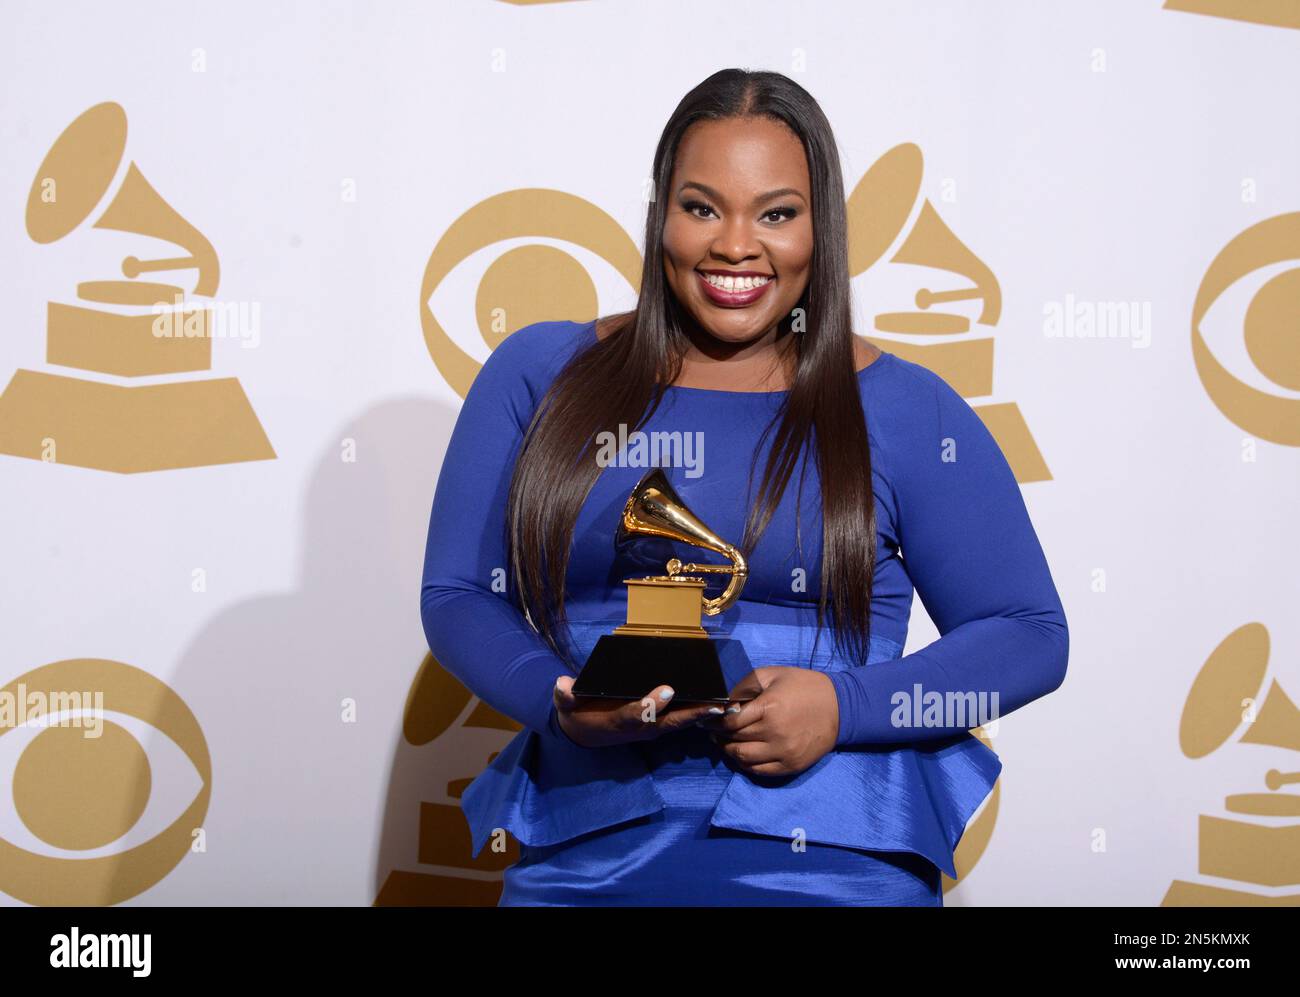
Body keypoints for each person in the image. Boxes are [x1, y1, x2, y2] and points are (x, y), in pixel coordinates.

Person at [420, 68, 1068, 906]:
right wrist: (556, 701)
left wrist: (844, 704)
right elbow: (459, 593)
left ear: (820, 230)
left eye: (776, 213)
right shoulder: (537, 373)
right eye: (701, 207)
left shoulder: (909, 410)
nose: (734, 245)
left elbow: (1028, 634)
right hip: (586, 857)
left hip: (837, 870)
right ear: (660, 218)